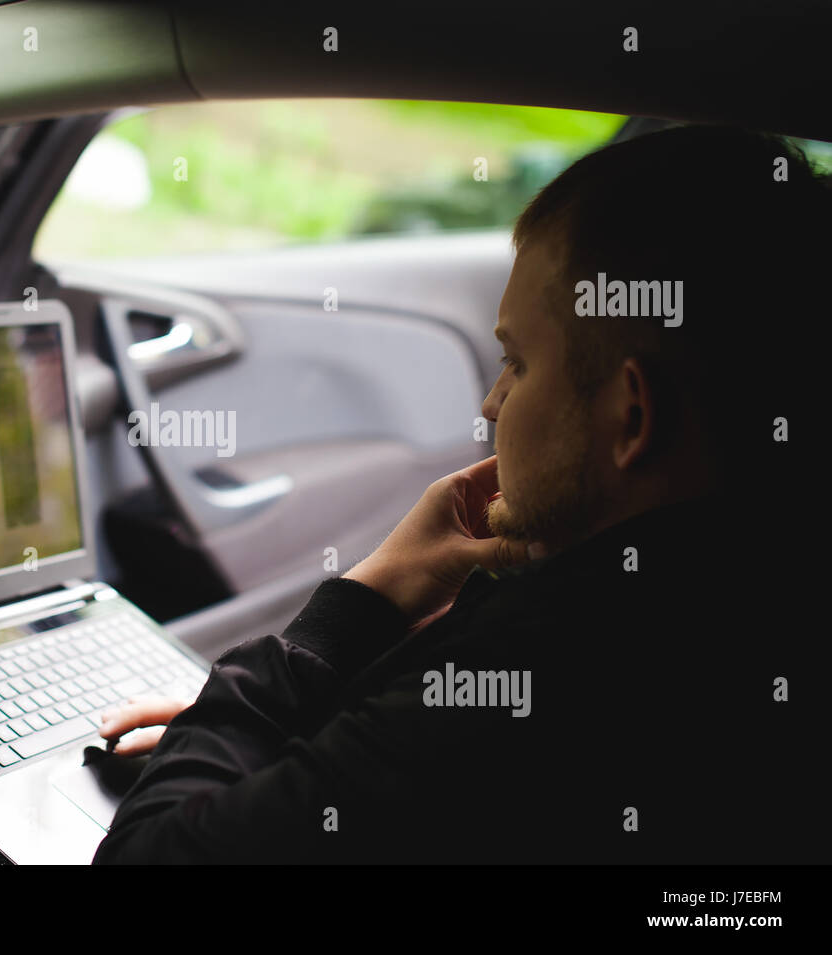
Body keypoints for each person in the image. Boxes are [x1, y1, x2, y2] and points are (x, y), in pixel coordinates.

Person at [91, 124, 829, 863]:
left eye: (517, 363)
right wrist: (258, 748)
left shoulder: (545, 666)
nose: (491, 403)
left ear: (631, 413)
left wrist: (365, 598)